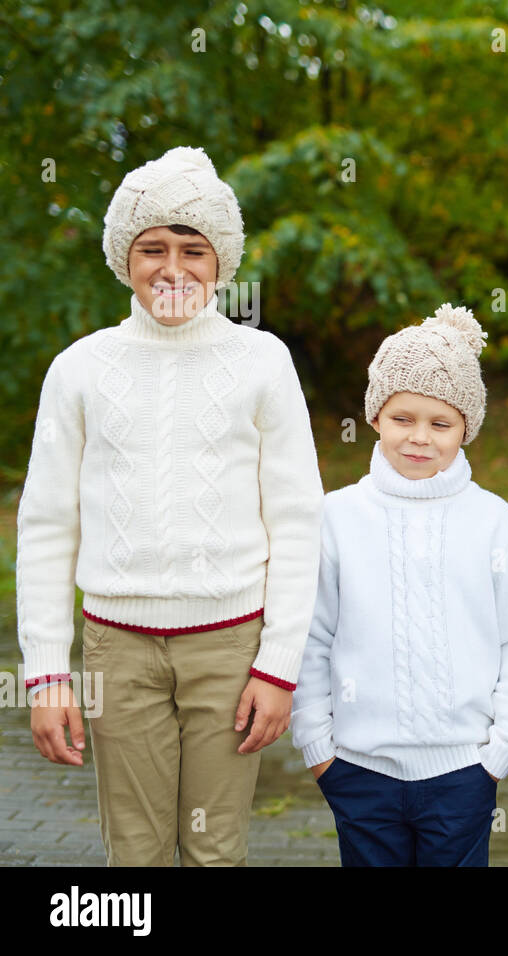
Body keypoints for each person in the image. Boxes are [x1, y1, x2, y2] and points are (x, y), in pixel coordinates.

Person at [17, 146, 324, 865]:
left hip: (230, 644)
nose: (173, 267)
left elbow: (298, 522)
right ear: (124, 258)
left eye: (194, 248)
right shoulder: (81, 369)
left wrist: (278, 667)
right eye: (152, 247)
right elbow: (46, 526)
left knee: (215, 852)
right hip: (116, 649)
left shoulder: (262, 363)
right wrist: (45, 674)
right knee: (136, 853)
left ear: (222, 262)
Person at [291, 304, 508, 866]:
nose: (419, 438)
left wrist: (500, 750)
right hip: (358, 770)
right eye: (403, 418)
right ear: (375, 416)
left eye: (440, 423)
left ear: (466, 428)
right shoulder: (337, 516)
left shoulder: (495, 521)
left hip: (463, 773)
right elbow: (312, 636)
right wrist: (318, 746)